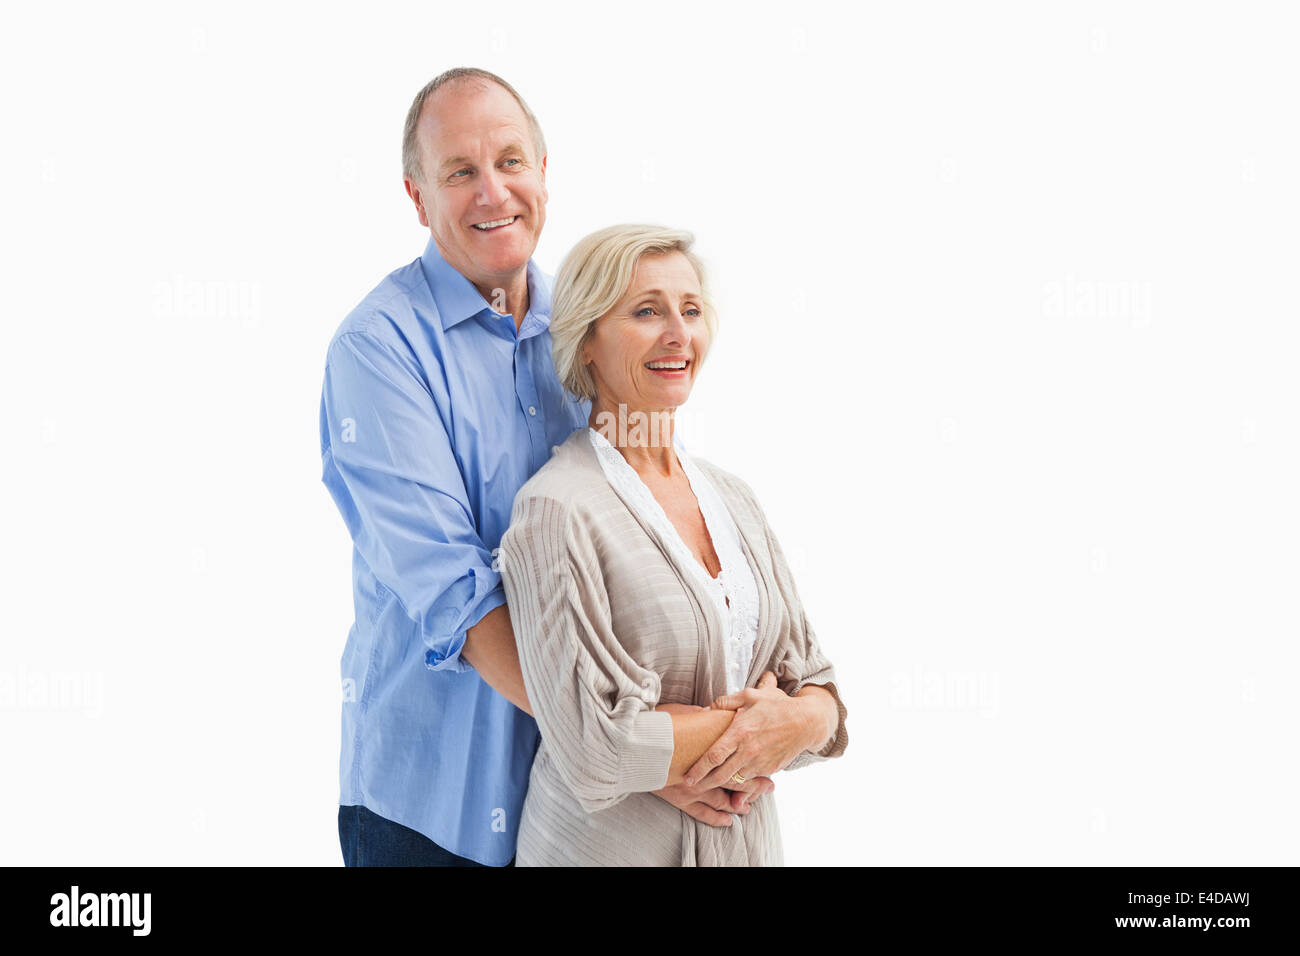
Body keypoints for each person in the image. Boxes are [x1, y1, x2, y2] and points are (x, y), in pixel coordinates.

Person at [318, 70, 774, 867]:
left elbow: (652, 513)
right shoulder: (379, 351)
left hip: (581, 812)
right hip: (436, 809)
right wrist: (639, 753)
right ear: (417, 196)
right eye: (459, 171)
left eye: (510, 161)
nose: (493, 191)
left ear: (543, 172)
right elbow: (453, 591)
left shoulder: (588, 323)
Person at [498, 225, 850, 866]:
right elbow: (592, 744)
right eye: (647, 311)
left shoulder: (735, 498)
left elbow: (818, 686)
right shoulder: (555, 510)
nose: (677, 334)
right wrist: (772, 727)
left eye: (690, 311)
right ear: (588, 344)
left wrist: (809, 721)